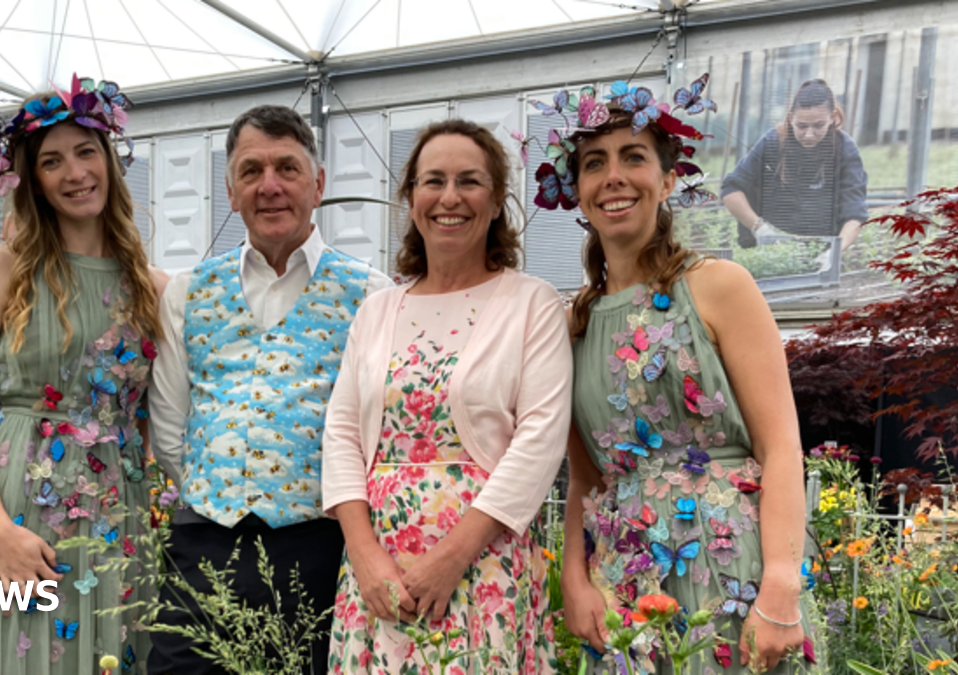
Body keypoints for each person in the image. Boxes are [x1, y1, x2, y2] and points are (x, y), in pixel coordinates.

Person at [535, 80, 815, 675]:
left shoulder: (720, 286)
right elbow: (584, 479)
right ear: (577, 190)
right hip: (623, 579)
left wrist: (781, 584)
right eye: (594, 163)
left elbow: (780, 448)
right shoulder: (571, 324)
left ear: (667, 180)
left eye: (633, 157)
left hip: (730, 569)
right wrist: (575, 579)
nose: (613, 176)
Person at [147, 104, 395, 675]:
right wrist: (221, 495)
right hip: (206, 544)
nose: (270, 186)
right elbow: (169, 423)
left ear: (319, 183)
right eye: (251, 171)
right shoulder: (187, 291)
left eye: (287, 168)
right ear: (231, 192)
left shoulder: (371, 294)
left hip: (321, 548)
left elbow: (375, 431)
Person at [322, 119, 573, 674]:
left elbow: (540, 440)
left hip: (482, 560)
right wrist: (364, 556)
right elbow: (340, 434)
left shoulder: (532, 303)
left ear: (497, 200)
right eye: (433, 181)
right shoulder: (377, 311)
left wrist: (451, 558)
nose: (450, 197)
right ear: (411, 198)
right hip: (379, 570)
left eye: (470, 181)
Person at [0, 77, 166, 674]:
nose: (75, 172)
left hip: (117, 514)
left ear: (109, 160)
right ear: (31, 180)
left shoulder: (152, 288)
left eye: (86, 152)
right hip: (15, 507)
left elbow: (158, 416)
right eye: (52, 161)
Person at [722, 79, 868, 261]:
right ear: (791, 117)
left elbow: (855, 213)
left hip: (820, 246)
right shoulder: (773, 142)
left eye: (818, 125)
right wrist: (762, 229)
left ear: (833, 116)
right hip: (768, 247)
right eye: (802, 126)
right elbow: (731, 189)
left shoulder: (844, 149)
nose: (809, 134)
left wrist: (834, 253)